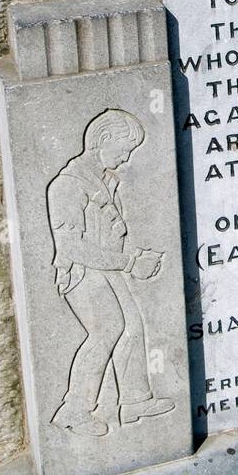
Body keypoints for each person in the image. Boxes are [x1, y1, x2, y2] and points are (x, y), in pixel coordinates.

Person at [46, 109, 176, 437]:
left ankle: (134, 400)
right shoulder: (68, 185)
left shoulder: (105, 180)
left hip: (107, 268)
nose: (126, 158)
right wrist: (130, 262)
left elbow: (108, 234)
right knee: (107, 330)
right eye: (123, 149)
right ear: (103, 140)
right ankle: (74, 410)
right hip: (81, 272)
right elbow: (72, 247)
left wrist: (135, 258)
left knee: (132, 327)